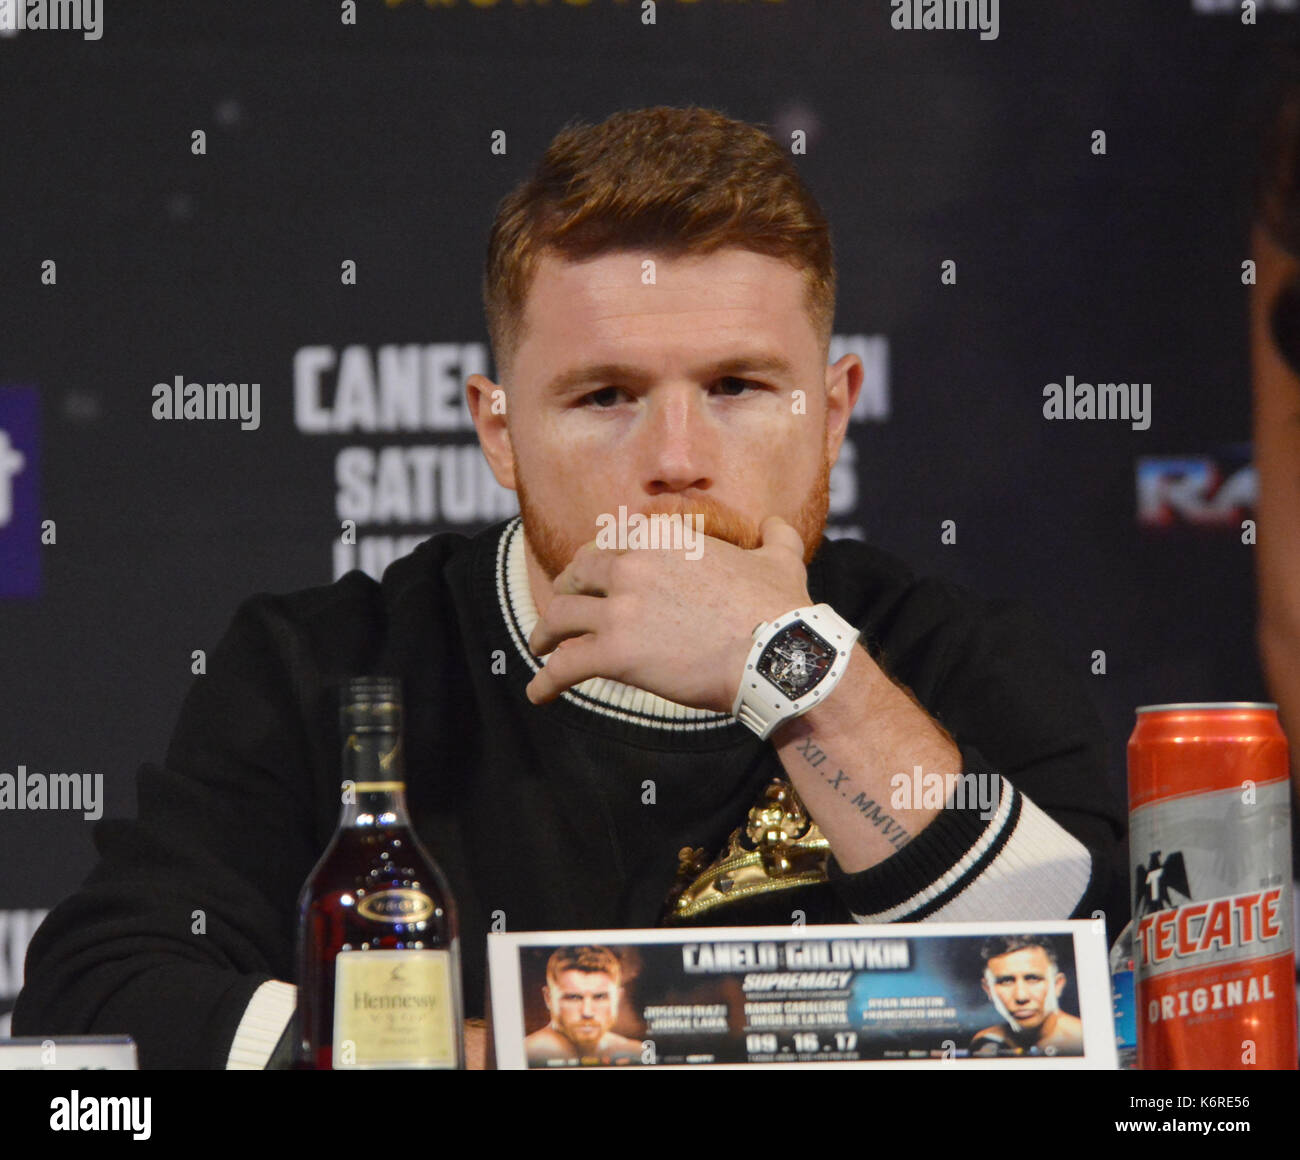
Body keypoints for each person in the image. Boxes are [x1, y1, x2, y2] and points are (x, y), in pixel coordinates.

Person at [13, 105, 1124, 1069]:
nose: (676, 456)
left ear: (833, 411)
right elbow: (103, 990)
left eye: (738, 385)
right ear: (497, 431)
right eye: (604, 395)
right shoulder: (331, 670)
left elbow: (1094, 982)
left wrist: (784, 662)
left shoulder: (944, 658)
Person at [523, 946, 642, 1066]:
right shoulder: (525, 1053)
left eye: (599, 997)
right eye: (574, 997)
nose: (587, 1012)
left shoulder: (636, 1052)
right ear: (548, 998)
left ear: (618, 998)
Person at [969, 936, 1083, 1057]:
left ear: (1057, 985)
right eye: (1006, 981)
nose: (1021, 996)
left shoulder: (1083, 1040)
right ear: (988, 990)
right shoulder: (984, 1043)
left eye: (1033, 979)